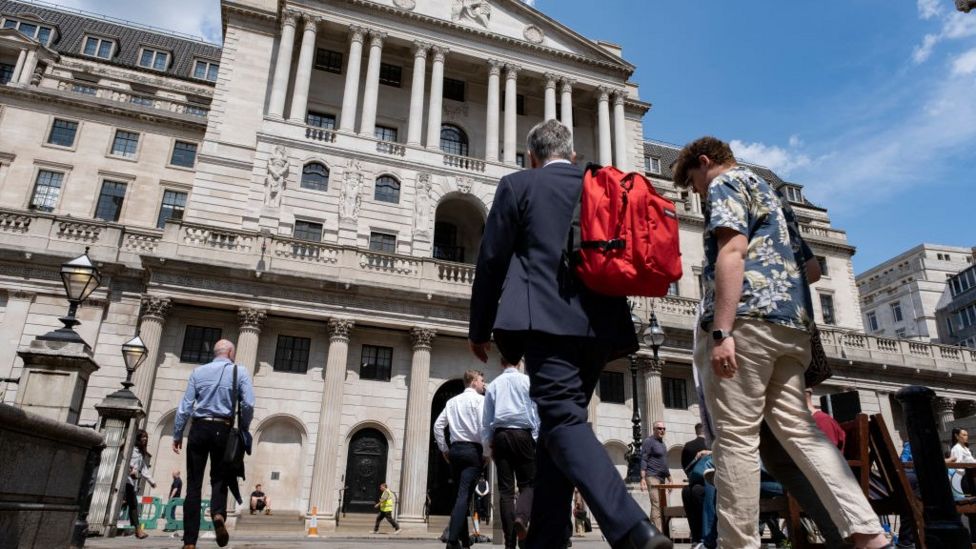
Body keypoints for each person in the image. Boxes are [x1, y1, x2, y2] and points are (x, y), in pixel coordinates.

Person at [672, 136, 888, 548]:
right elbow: (810, 270)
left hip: (746, 322)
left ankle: (739, 544)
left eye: (694, 184)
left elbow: (732, 249)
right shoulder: (772, 195)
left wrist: (722, 330)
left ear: (705, 162)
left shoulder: (725, 183)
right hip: (790, 328)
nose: (698, 194)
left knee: (735, 438)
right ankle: (870, 536)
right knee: (801, 432)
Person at [468, 119, 671, 549]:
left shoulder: (518, 185)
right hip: (601, 325)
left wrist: (479, 327)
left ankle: (633, 528)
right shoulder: (598, 182)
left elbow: (491, 261)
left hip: (546, 320)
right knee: (556, 433)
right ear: (573, 155)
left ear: (532, 157)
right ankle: (547, 539)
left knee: (561, 421)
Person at [173, 339, 254, 549]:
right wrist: (243, 427)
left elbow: (185, 406)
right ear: (229, 353)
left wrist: (177, 433)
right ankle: (218, 514)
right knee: (220, 477)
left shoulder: (198, 372)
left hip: (199, 428)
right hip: (223, 428)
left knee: (193, 485)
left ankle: (190, 542)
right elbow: (248, 404)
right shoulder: (240, 371)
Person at [482, 355, 539, 548]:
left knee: (505, 492)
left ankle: (509, 542)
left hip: (500, 435)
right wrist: (536, 439)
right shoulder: (527, 381)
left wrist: (489, 442)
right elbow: (535, 411)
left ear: (500, 362)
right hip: (523, 434)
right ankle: (522, 519)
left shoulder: (493, 385)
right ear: (520, 362)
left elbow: (486, 418)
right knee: (528, 485)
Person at [433, 369, 488, 549]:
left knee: (460, 496)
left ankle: (464, 542)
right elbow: (485, 428)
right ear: (473, 382)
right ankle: (451, 541)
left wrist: (444, 449)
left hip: (456, 451)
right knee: (464, 495)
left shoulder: (452, 402)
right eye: (481, 380)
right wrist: (487, 453)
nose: (483, 384)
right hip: (473, 451)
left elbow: (438, 427)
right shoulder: (481, 401)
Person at [124, 429, 156, 540]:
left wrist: (151, 481)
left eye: (146, 437)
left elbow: (143, 468)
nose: (145, 439)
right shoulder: (131, 449)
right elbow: (124, 461)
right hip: (124, 481)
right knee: (133, 505)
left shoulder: (140, 452)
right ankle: (138, 530)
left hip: (130, 482)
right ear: (137, 438)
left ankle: (137, 530)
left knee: (133, 505)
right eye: (143, 437)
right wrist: (130, 470)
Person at [680, 425, 709, 546]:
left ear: (696, 431)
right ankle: (700, 537)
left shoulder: (688, 445)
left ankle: (698, 537)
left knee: (688, 491)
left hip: (698, 481)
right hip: (707, 481)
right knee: (692, 492)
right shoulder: (711, 443)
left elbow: (685, 466)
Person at [639, 421, 672, 531]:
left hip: (662, 478)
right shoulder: (649, 441)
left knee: (660, 505)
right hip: (652, 476)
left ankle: (648, 530)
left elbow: (664, 463)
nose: (662, 430)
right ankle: (659, 532)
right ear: (654, 429)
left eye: (664, 428)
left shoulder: (663, 444)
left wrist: (670, 479)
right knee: (656, 504)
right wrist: (642, 478)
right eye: (659, 428)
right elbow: (644, 459)